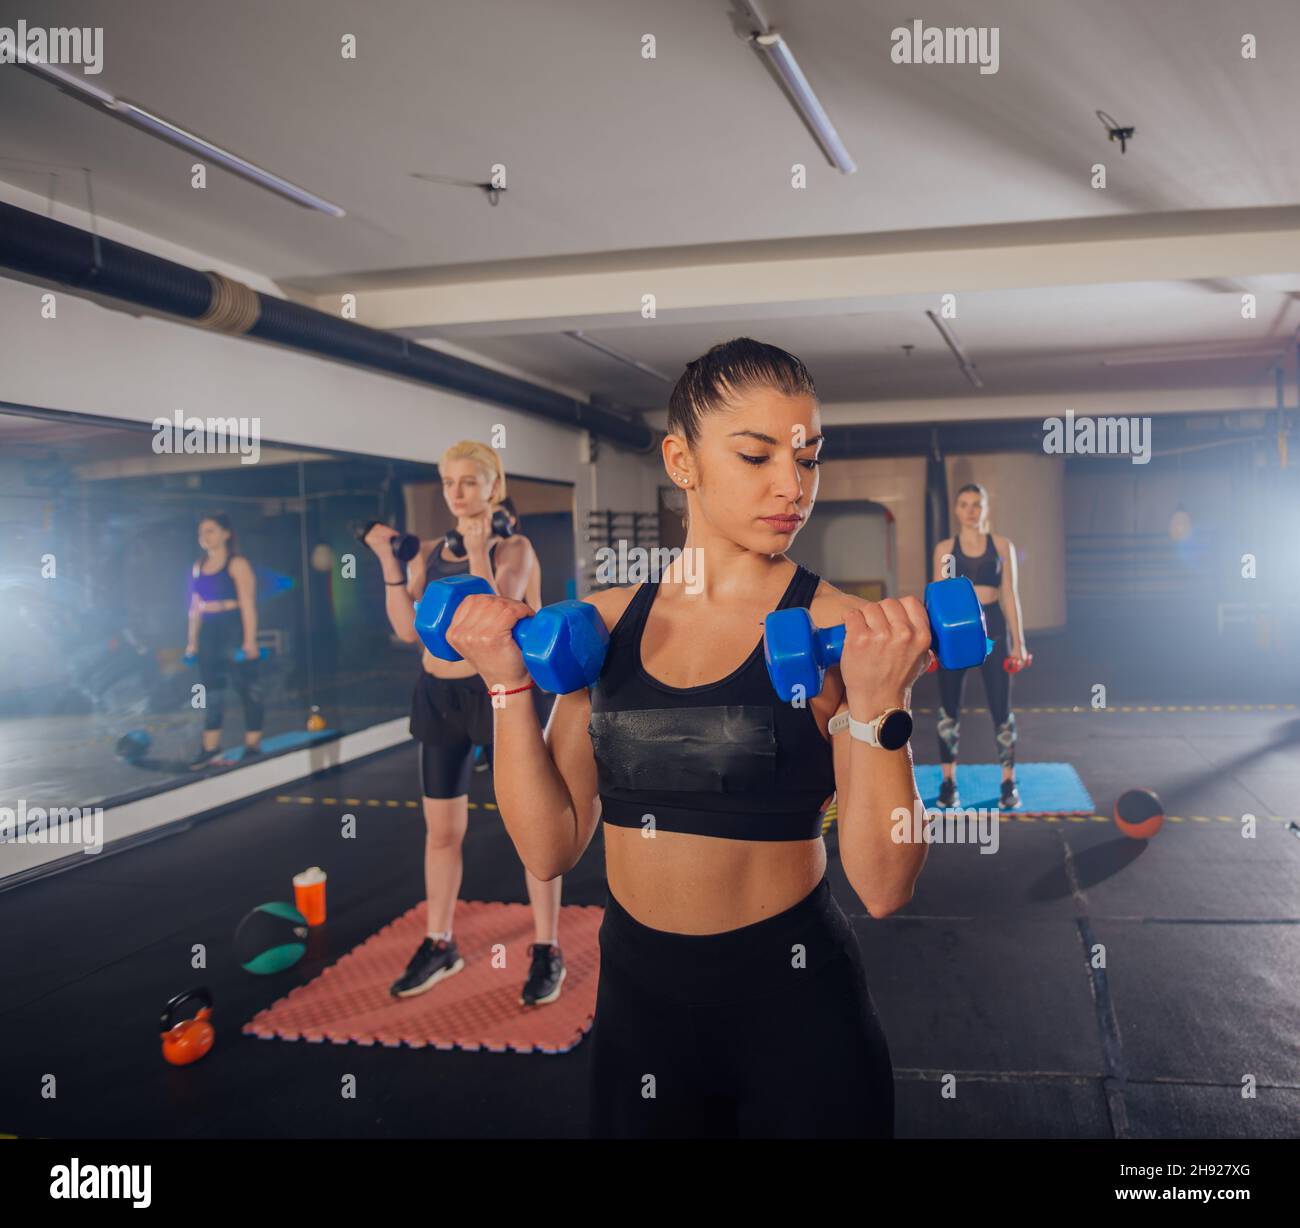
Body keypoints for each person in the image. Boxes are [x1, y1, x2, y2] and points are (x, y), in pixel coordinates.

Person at [445, 338, 929, 1138]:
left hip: (796, 1004)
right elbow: (549, 849)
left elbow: (884, 886)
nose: (792, 485)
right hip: (639, 1006)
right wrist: (505, 684)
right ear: (683, 460)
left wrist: (881, 708)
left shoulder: (840, 629)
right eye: (756, 454)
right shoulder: (600, 625)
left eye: (807, 458)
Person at [363, 441, 564, 1006]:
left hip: (499, 694)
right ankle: (440, 941)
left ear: (492, 487)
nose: (457, 492)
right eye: (449, 482)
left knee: (532, 831)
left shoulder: (515, 547)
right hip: (438, 697)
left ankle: (547, 948)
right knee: (443, 832)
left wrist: (478, 554)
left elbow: (493, 623)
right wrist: (389, 562)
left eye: (469, 482)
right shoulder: (426, 551)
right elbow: (408, 631)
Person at [931, 484, 1029, 809]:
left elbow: (1010, 594)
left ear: (985, 509)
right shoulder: (946, 548)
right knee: (949, 709)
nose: (971, 510)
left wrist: (1019, 642)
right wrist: (934, 644)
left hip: (994, 631)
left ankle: (1008, 782)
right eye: (964, 504)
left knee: (1001, 708)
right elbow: (940, 600)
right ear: (956, 510)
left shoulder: (1002, 545)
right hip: (958, 630)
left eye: (977, 504)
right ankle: (949, 783)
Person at [184, 513, 263, 768]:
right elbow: (194, 608)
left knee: (245, 687)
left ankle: (252, 745)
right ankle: (210, 748)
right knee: (212, 690)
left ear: (225, 533)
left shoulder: (237, 563)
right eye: (201, 532)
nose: (205, 537)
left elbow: (248, 604)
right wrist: (192, 641)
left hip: (232, 626)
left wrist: (250, 640)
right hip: (209, 629)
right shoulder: (199, 566)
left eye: (210, 531)